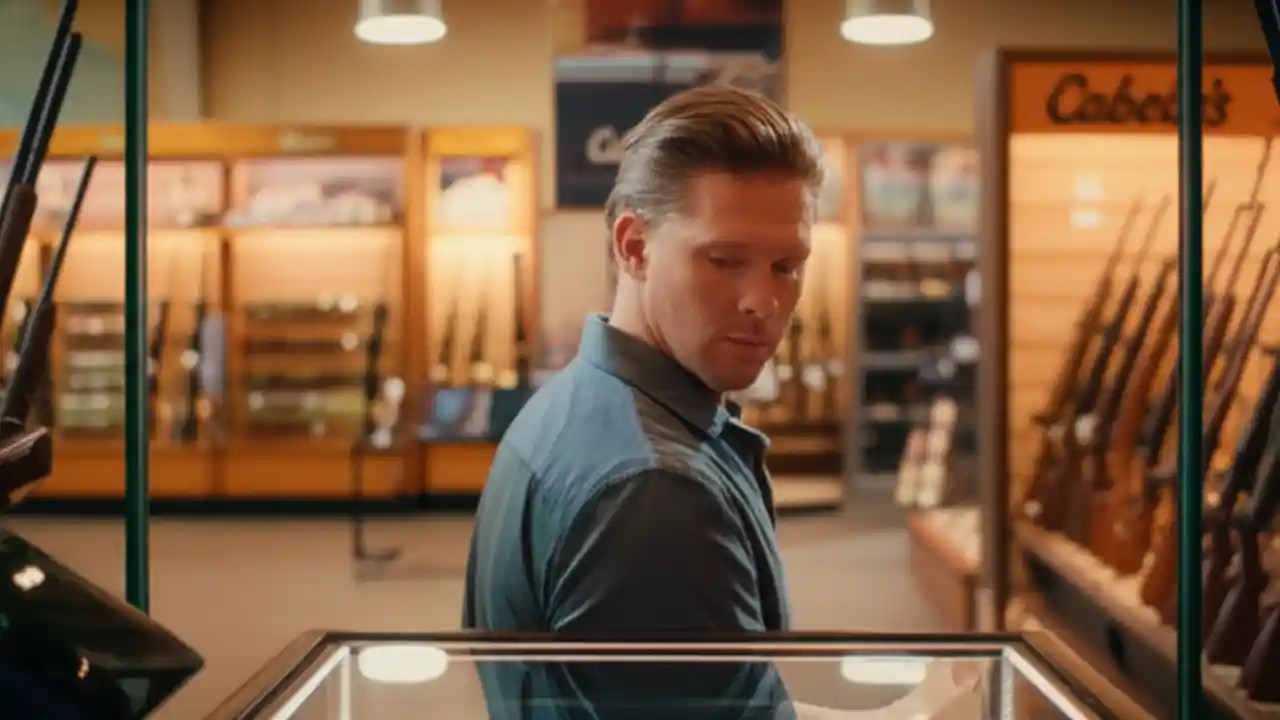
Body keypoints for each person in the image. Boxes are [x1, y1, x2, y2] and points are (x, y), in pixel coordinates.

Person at [462, 83, 823, 717]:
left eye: (785, 267)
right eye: (724, 259)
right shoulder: (655, 490)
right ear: (634, 247)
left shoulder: (578, 398)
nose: (762, 303)